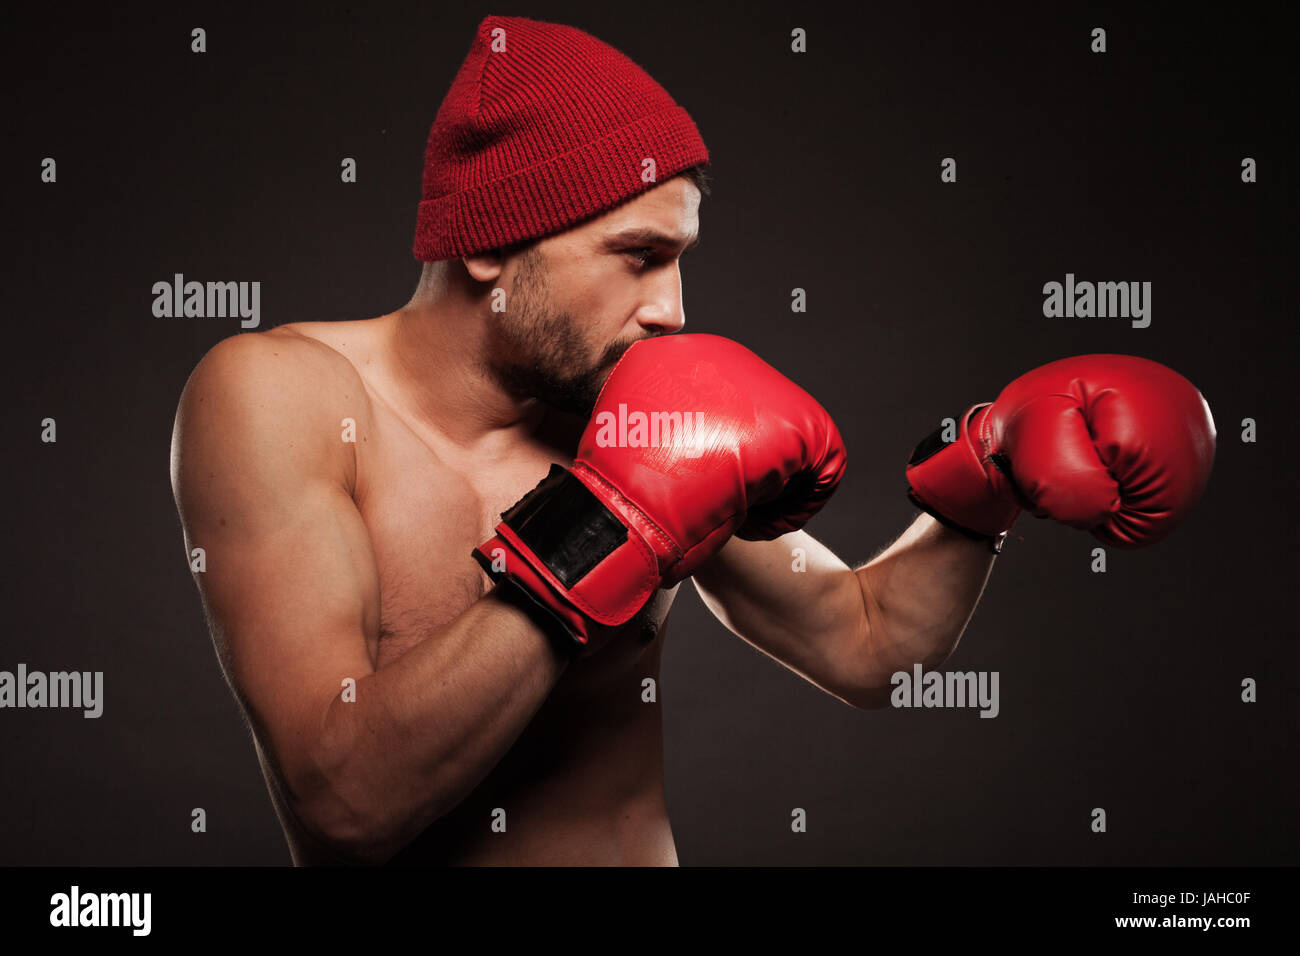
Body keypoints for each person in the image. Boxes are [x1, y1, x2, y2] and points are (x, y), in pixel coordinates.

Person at [168, 15, 1215, 866]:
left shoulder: (632, 410)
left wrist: (986, 483)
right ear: (489, 242)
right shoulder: (282, 396)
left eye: (680, 260)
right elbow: (347, 799)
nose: (672, 310)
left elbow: (864, 642)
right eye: (638, 255)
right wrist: (605, 522)